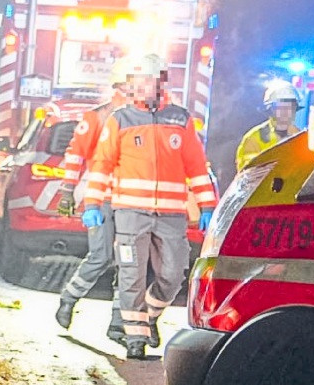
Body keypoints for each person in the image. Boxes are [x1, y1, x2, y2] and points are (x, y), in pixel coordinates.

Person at [82, 52, 218, 360]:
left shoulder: (180, 119)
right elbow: (102, 164)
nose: (141, 86)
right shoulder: (120, 119)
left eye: (146, 80)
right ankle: (135, 340)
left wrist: (208, 205)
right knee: (131, 276)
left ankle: (150, 317)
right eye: (135, 81)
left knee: (173, 274)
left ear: (159, 82)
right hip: (129, 213)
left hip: (171, 215)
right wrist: (92, 203)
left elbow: (196, 166)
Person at [54, 58, 131, 339]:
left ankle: (118, 322)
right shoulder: (96, 117)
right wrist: (66, 190)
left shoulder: (148, 119)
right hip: (99, 198)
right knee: (100, 255)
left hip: (131, 200)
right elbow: (75, 156)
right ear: (120, 85)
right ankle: (69, 298)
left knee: (128, 260)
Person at [235, 81, 301, 171]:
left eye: (289, 106)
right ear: (271, 109)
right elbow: (246, 172)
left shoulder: (301, 138)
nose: (286, 111)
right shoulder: (253, 138)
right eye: (280, 106)